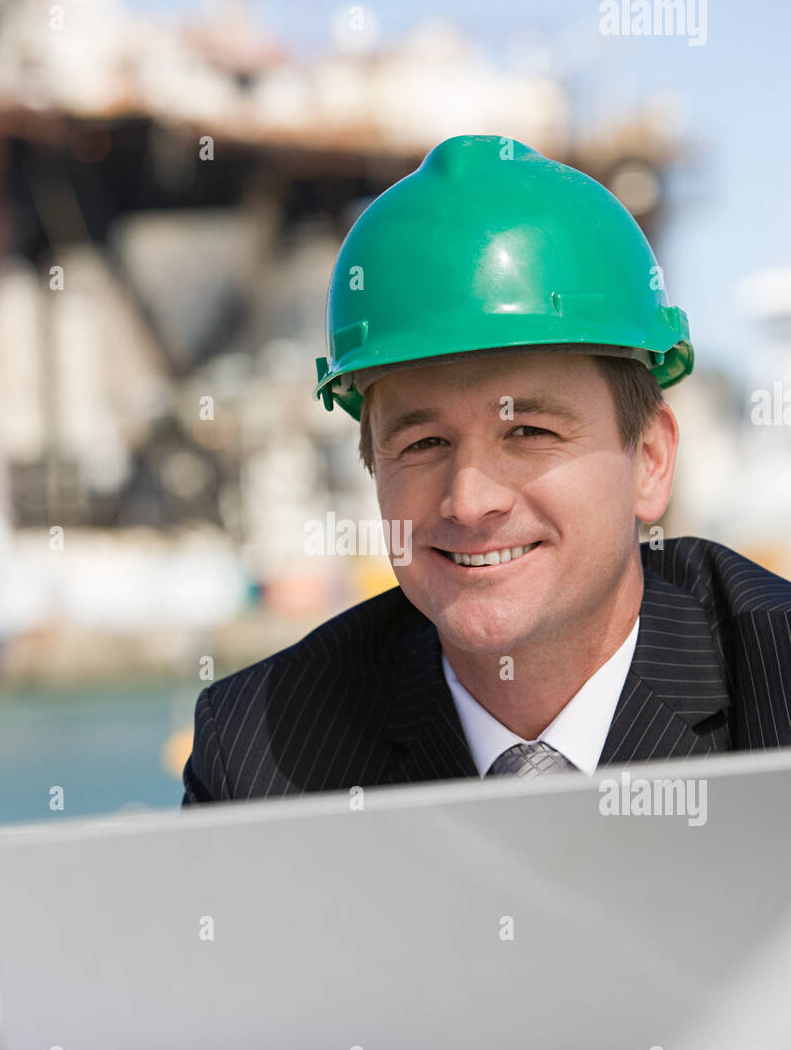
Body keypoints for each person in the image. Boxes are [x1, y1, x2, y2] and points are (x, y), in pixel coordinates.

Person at [182, 135, 791, 804]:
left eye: (528, 432)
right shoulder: (261, 752)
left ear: (649, 459)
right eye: (422, 444)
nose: (468, 502)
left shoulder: (777, 680)